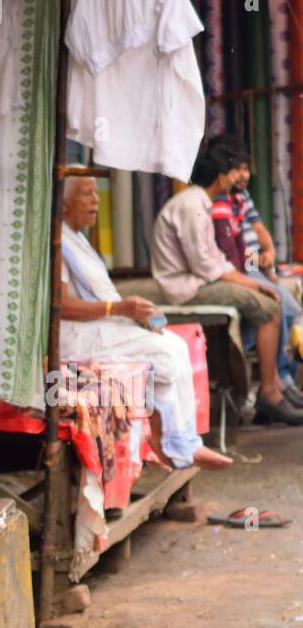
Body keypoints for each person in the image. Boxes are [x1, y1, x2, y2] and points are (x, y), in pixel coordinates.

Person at [59, 175, 231, 470]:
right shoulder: (57, 240)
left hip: (97, 326)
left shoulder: (77, 238)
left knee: (174, 345)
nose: (96, 200)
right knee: (166, 352)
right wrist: (119, 308)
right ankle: (174, 445)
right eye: (87, 194)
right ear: (63, 203)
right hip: (73, 336)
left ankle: (181, 444)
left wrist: (132, 313)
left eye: (95, 193)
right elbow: (60, 305)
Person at [150, 143, 302, 425]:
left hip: (205, 277)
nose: (239, 177)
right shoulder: (195, 206)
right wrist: (252, 281)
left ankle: (278, 385)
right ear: (221, 176)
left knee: (273, 299)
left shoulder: (209, 202)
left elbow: (224, 255)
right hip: (189, 286)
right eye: (235, 171)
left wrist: (255, 275)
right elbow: (211, 264)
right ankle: (269, 392)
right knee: (269, 306)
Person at [205, 135, 302, 399]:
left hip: (249, 265)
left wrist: (268, 254)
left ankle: (283, 380)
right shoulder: (217, 202)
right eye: (239, 169)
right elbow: (228, 255)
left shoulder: (240, 198)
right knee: (281, 306)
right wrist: (257, 274)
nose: (244, 175)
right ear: (223, 172)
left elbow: (257, 232)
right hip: (241, 269)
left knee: (290, 309)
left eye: (246, 169)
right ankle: (278, 381)